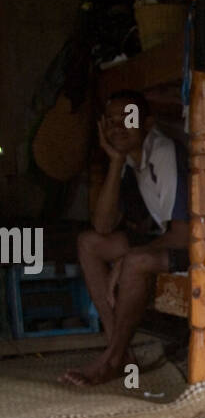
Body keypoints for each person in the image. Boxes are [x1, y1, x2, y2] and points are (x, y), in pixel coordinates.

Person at [62, 90, 189, 386]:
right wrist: (116, 162)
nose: (118, 127)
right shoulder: (131, 159)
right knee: (89, 242)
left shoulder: (163, 152)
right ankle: (118, 352)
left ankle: (111, 360)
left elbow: (183, 234)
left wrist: (123, 262)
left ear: (147, 123)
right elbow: (103, 226)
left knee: (134, 260)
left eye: (128, 118)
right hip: (170, 236)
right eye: (111, 121)